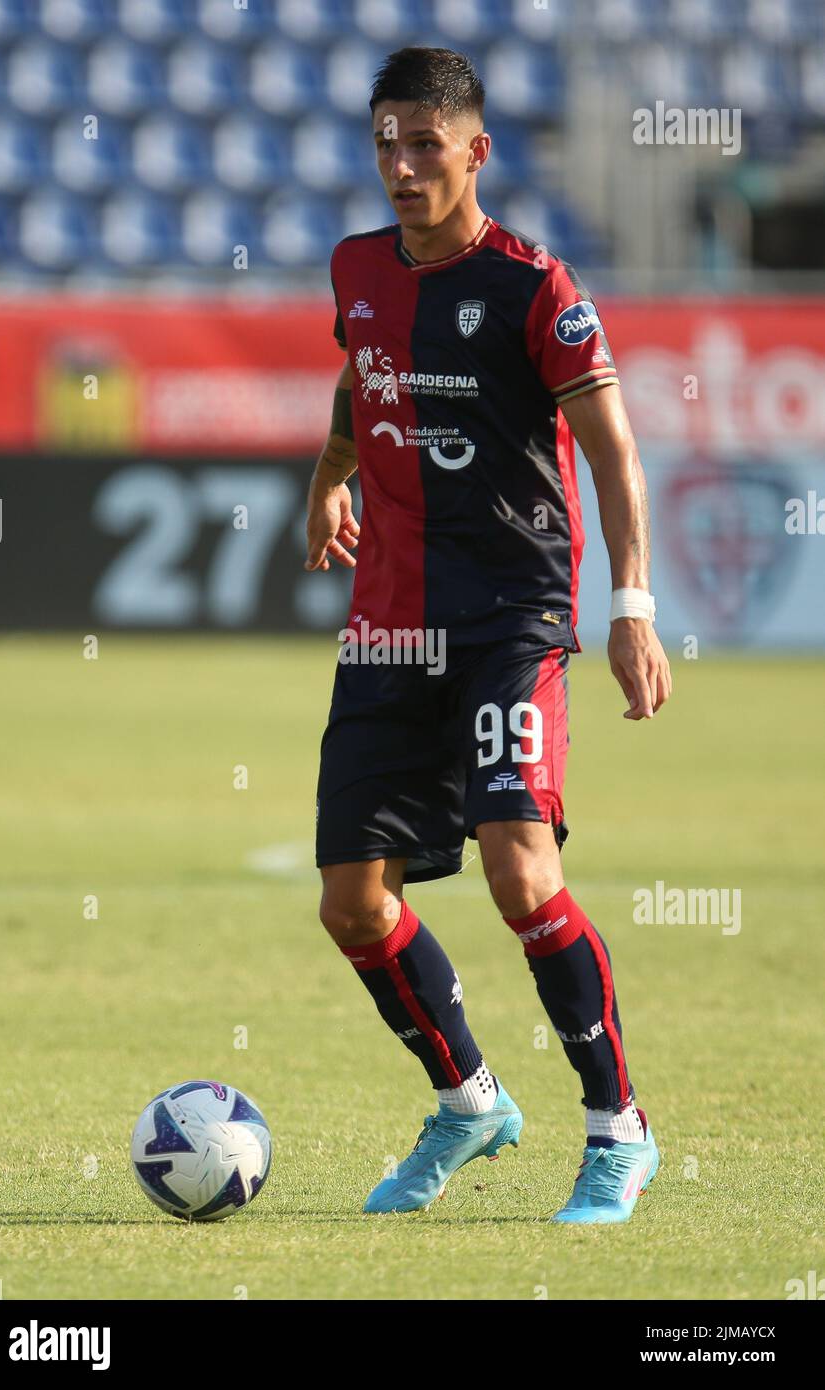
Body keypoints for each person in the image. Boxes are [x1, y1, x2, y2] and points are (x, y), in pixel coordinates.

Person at [305, 47, 672, 1223]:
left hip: (508, 617)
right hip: (387, 622)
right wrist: (329, 475)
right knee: (350, 902)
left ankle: (618, 1127)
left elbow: (613, 454)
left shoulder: (532, 286)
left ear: (475, 150)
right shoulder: (357, 265)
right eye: (384, 144)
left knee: (521, 871)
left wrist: (629, 609)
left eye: (423, 143)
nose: (400, 167)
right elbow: (358, 376)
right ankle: (468, 1100)